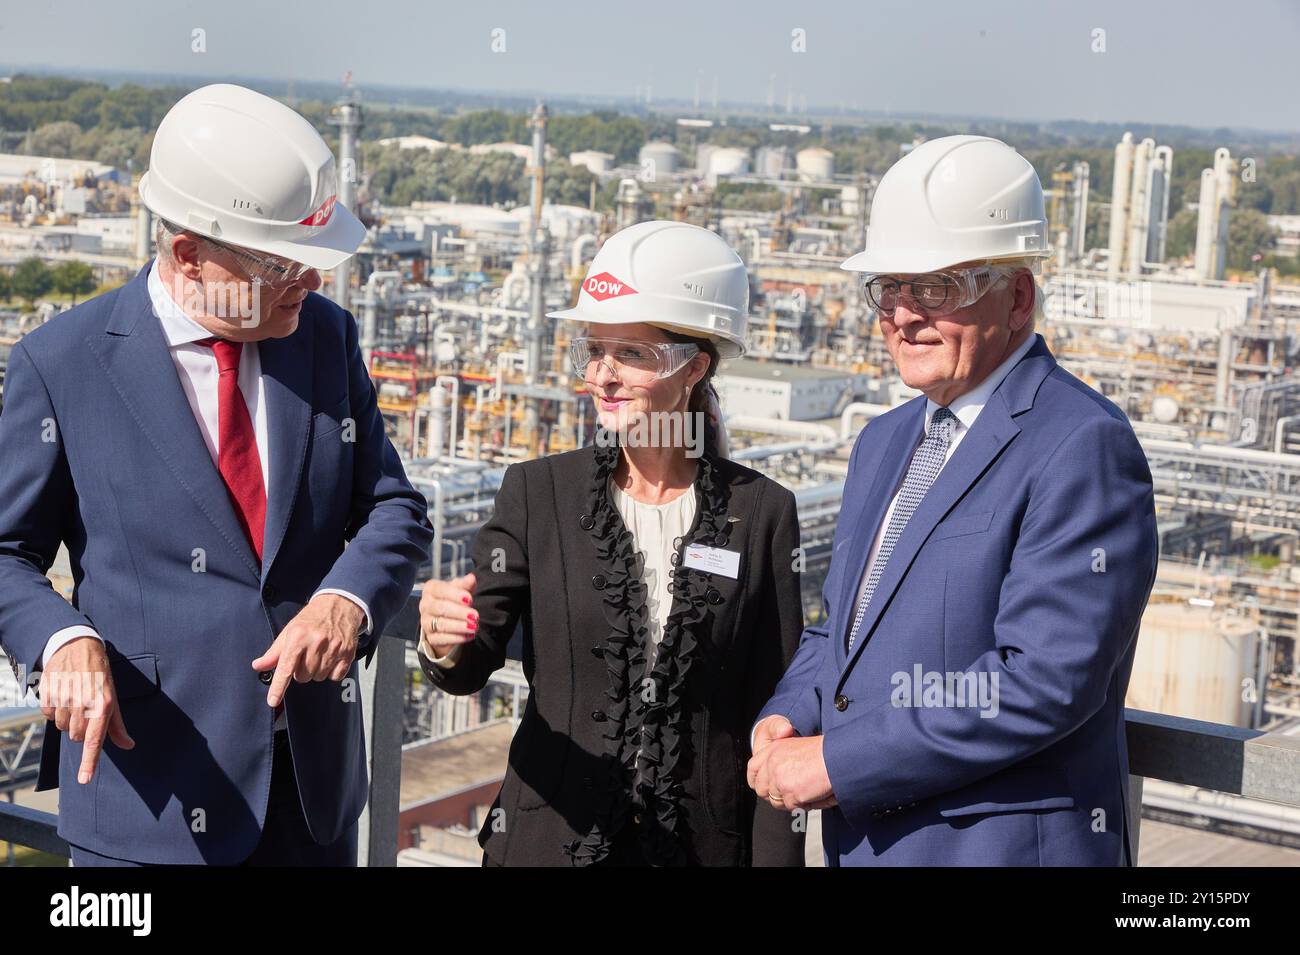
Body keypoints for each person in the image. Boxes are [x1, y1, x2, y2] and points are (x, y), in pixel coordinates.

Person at [0, 84, 433, 866]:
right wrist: (59, 638)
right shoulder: (62, 364)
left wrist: (345, 600)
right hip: (149, 801)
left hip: (310, 805)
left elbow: (393, 506)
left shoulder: (326, 339)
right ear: (189, 255)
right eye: (281, 263)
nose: (313, 281)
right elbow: (5, 553)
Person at [748, 135, 1158, 866]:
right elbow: (842, 627)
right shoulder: (884, 441)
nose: (904, 315)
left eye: (934, 288)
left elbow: (1043, 680)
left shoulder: (1080, 444)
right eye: (890, 289)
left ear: (1019, 297)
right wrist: (790, 712)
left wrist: (839, 762)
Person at [418, 220, 805, 866]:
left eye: (630, 355)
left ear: (694, 367)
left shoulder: (763, 513)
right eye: (595, 351)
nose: (602, 375)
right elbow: (470, 660)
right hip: (546, 846)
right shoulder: (538, 494)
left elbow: (779, 714)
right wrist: (440, 640)